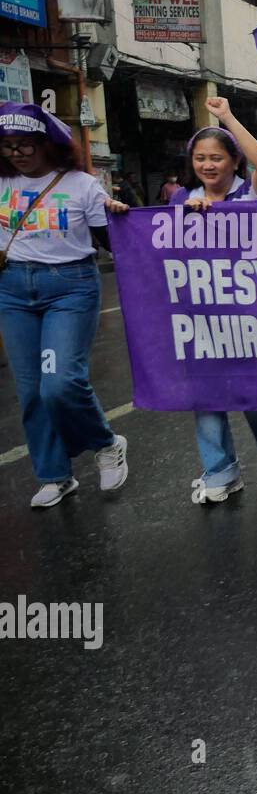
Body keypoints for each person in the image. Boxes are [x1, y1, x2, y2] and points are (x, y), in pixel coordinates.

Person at [0, 102, 130, 507]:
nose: (17, 153)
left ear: (48, 144)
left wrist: (120, 217)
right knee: (31, 391)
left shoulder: (81, 185)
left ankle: (106, 443)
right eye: (8, 145)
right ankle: (55, 475)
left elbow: (114, 241)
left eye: (25, 144)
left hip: (70, 287)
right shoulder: (1, 182)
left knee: (60, 383)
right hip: (13, 289)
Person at [171, 96, 257, 503]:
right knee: (205, 394)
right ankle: (221, 471)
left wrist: (226, 117)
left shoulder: (251, 197)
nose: (208, 165)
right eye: (200, 158)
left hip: (246, 317)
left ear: (232, 162)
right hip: (198, 316)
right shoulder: (180, 201)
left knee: (250, 394)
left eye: (217, 158)